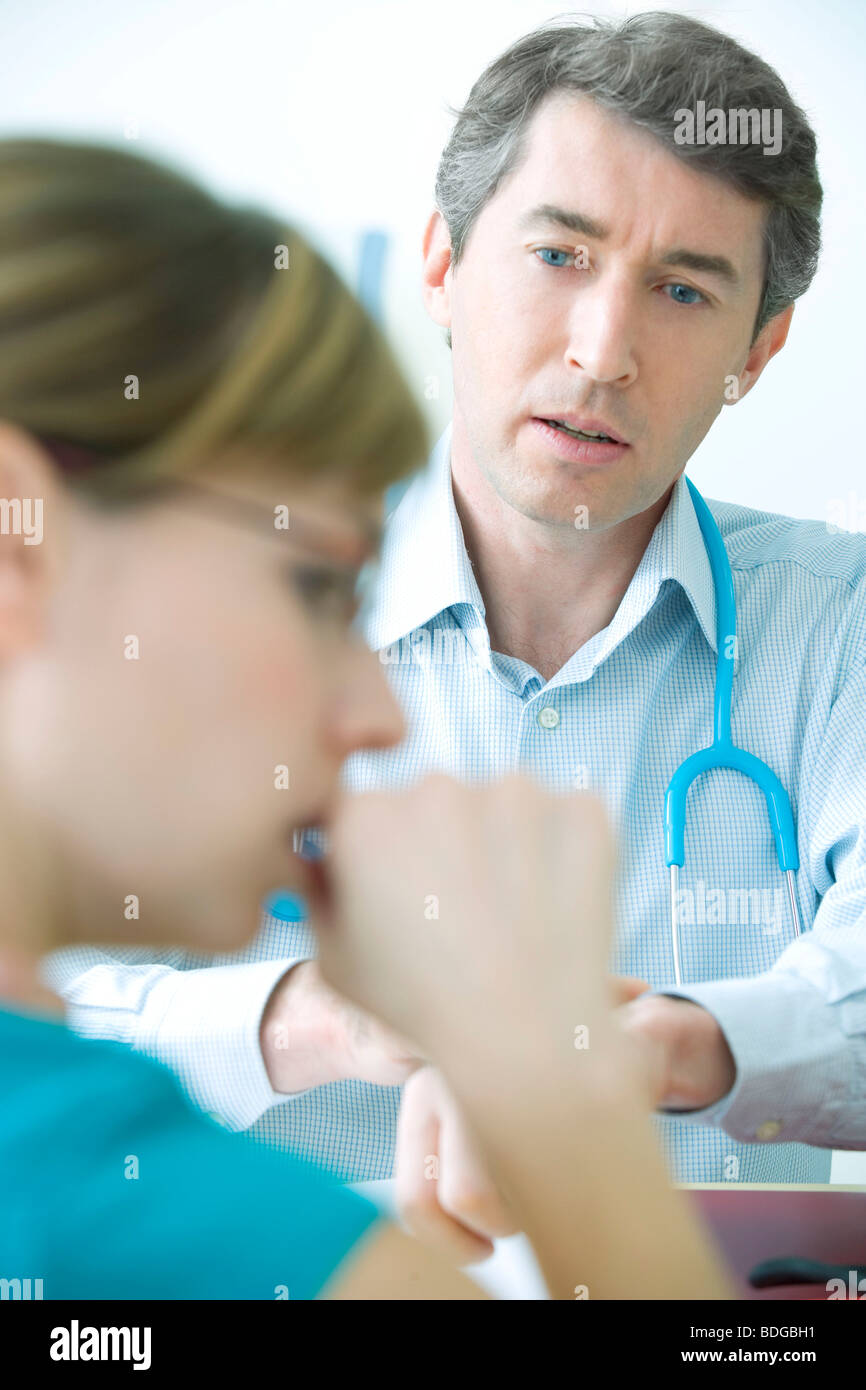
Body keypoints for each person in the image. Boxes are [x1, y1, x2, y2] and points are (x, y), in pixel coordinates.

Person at [47, 11, 866, 1263]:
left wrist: (638, 1048)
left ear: (758, 348)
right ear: (439, 263)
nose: (602, 352)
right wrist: (309, 1019)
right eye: (557, 255)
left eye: (683, 289)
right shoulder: (227, 585)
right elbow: (46, 1011)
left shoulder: (839, 616)